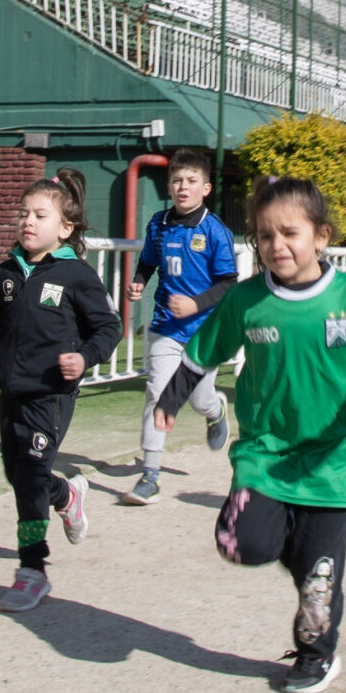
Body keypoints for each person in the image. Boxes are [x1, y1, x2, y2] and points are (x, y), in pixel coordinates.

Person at [149, 176, 346, 693]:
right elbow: (199, 354)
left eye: (289, 233)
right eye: (264, 235)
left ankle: (315, 656)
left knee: (319, 587)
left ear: (321, 237)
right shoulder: (247, 300)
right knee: (241, 543)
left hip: (333, 456)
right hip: (265, 451)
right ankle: (310, 568)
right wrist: (168, 401)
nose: (276, 245)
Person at [0, 169, 122, 612]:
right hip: (10, 392)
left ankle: (32, 570)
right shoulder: (2, 274)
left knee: (30, 477)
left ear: (64, 228)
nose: (28, 222)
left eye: (40, 215)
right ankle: (67, 494)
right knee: (19, 476)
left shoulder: (77, 277)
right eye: (23, 214)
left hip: (51, 393)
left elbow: (107, 328)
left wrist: (85, 358)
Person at [122, 149, 239, 506]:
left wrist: (195, 304)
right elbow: (147, 263)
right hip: (166, 327)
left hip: (205, 334)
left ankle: (216, 411)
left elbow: (228, 283)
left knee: (198, 399)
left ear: (205, 188)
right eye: (176, 181)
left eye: (190, 181)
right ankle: (151, 475)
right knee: (157, 393)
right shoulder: (158, 224)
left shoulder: (216, 232)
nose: (182, 187)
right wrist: (138, 282)